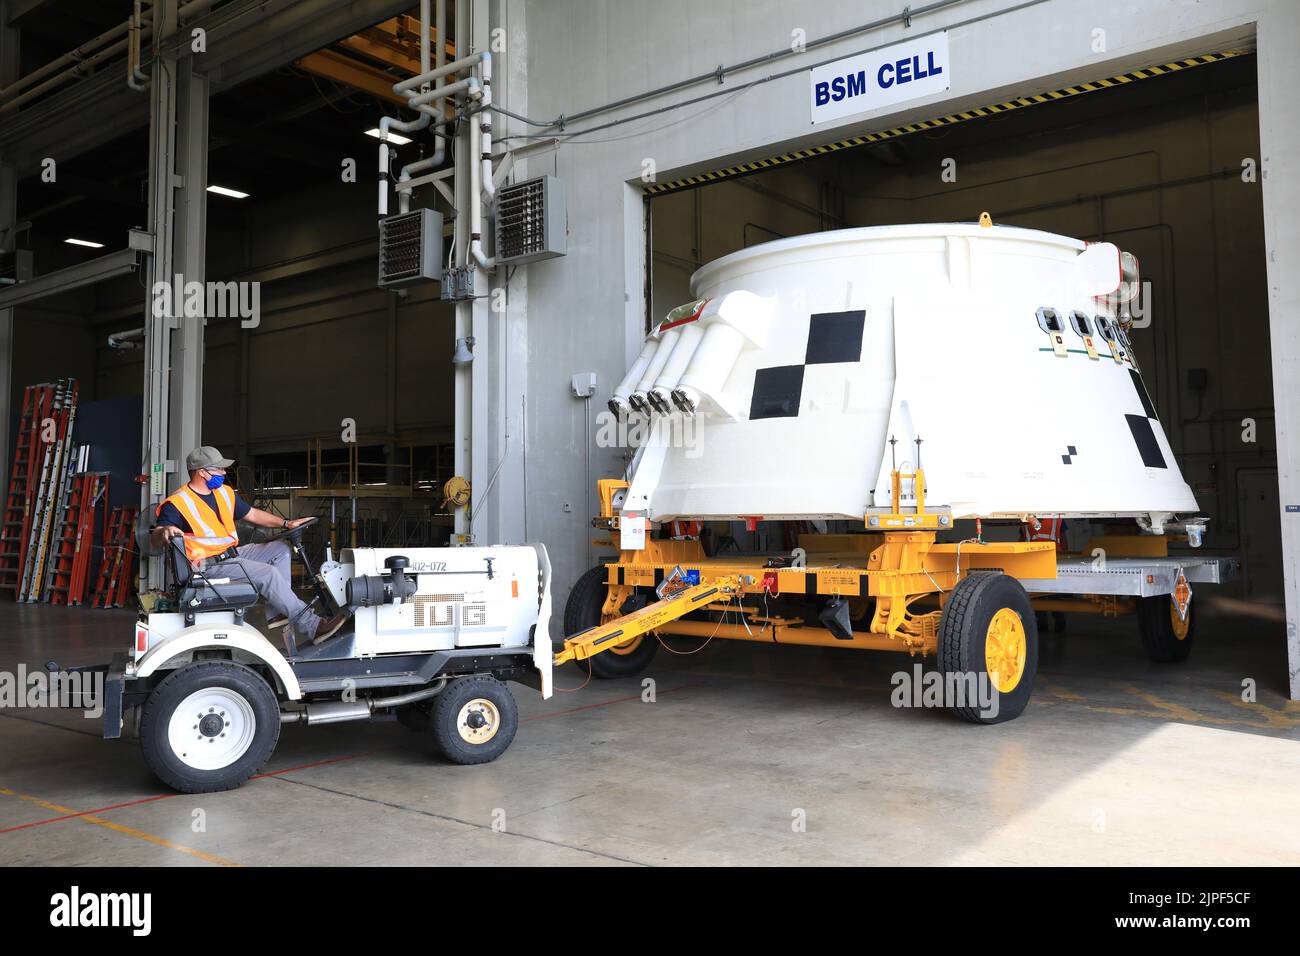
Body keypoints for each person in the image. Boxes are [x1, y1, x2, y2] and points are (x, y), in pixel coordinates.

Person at [150, 446, 348, 647]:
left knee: (280, 550)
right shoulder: (177, 503)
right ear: (202, 472)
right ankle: (313, 626)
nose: (224, 473)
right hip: (206, 566)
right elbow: (156, 537)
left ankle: (276, 613)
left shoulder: (224, 493)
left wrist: (286, 523)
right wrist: (163, 532)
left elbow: (252, 514)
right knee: (267, 573)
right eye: (218, 469)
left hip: (231, 555)